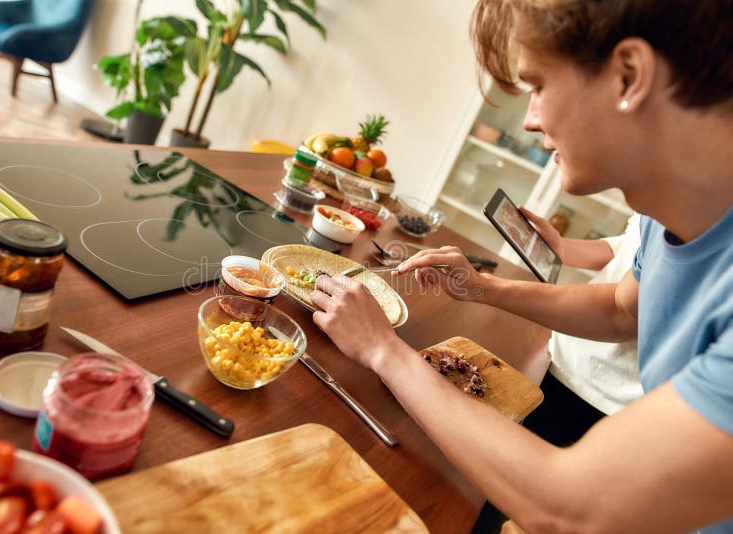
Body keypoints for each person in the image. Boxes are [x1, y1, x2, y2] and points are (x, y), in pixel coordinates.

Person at [309, 1, 733, 532]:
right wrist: (481, 287)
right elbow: (623, 309)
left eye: (537, 86)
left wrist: (382, 350)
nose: (530, 120)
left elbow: (571, 507)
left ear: (629, 75)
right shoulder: (667, 215)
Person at [521, 211, 643, 446]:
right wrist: (562, 247)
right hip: (561, 356)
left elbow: (621, 314)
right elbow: (629, 245)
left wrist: (481, 288)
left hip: (608, 395)